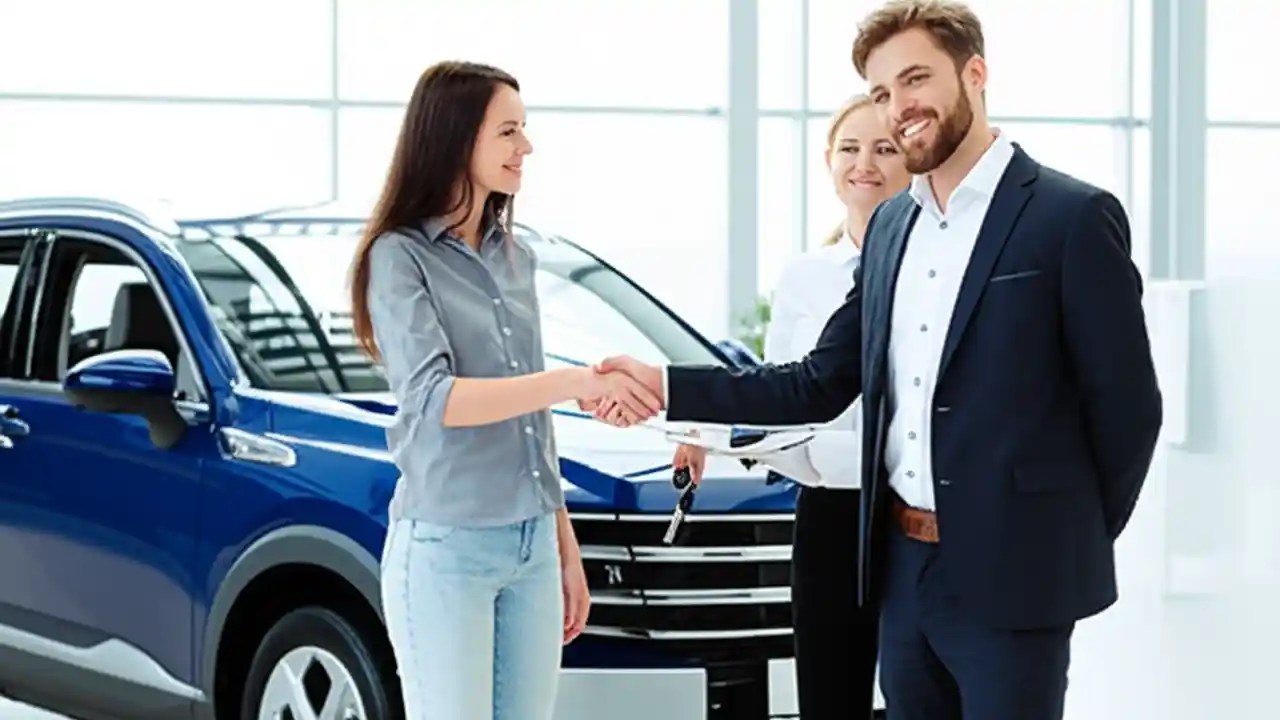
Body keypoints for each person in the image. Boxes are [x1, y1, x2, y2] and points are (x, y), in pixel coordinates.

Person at [589, 1, 1163, 718]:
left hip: (1016, 578)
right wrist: (665, 385)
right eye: (883, 93)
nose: (898, 108)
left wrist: (1058, 536)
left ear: (975, 74)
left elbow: (1129, 408)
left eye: (915, 79)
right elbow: (815, 382)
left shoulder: (1069, 216)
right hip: (902, 572)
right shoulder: (894, 225)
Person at [348, 60, 663, 719]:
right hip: (446, 547)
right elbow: (436, 400)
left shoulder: (517, 258)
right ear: (457, 139)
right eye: (510, 132)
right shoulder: (399, 257)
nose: (527, 147)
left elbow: (529, 428)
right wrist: (575, 381)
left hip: (531, 547)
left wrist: (563, 547)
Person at [669, 92, 909, 720]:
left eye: (884, 148)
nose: (866, 163)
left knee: (917, 688)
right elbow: (781, 389)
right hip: (829, 509)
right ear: (829, 161)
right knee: (830, 692)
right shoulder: (807, 274)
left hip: (911, 511)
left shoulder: (931, 268)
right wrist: (706, 429)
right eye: (851, 149)